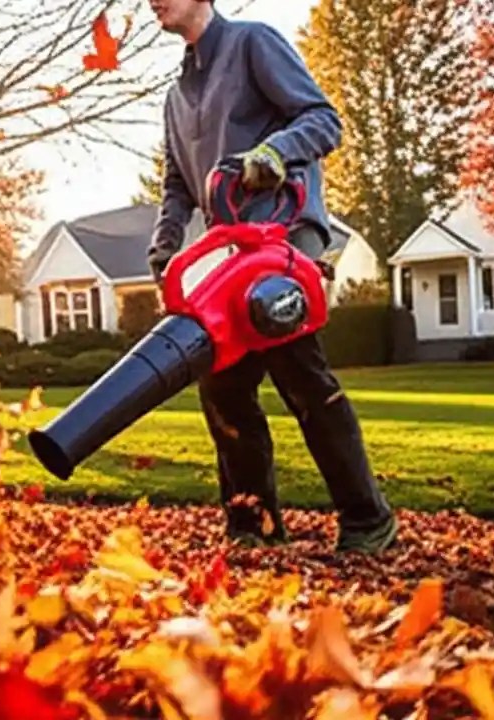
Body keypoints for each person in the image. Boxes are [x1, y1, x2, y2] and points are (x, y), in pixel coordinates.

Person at [145, 0, 397, 553]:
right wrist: (165, 244)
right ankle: (252, 526)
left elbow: (322, 120)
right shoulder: (175, 96)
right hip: (228, 255)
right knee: (222, 387)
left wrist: (275, 151)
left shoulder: (252, 43)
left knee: (299, 375)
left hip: (282, 240)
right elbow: (177, 185)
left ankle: (367, 519)